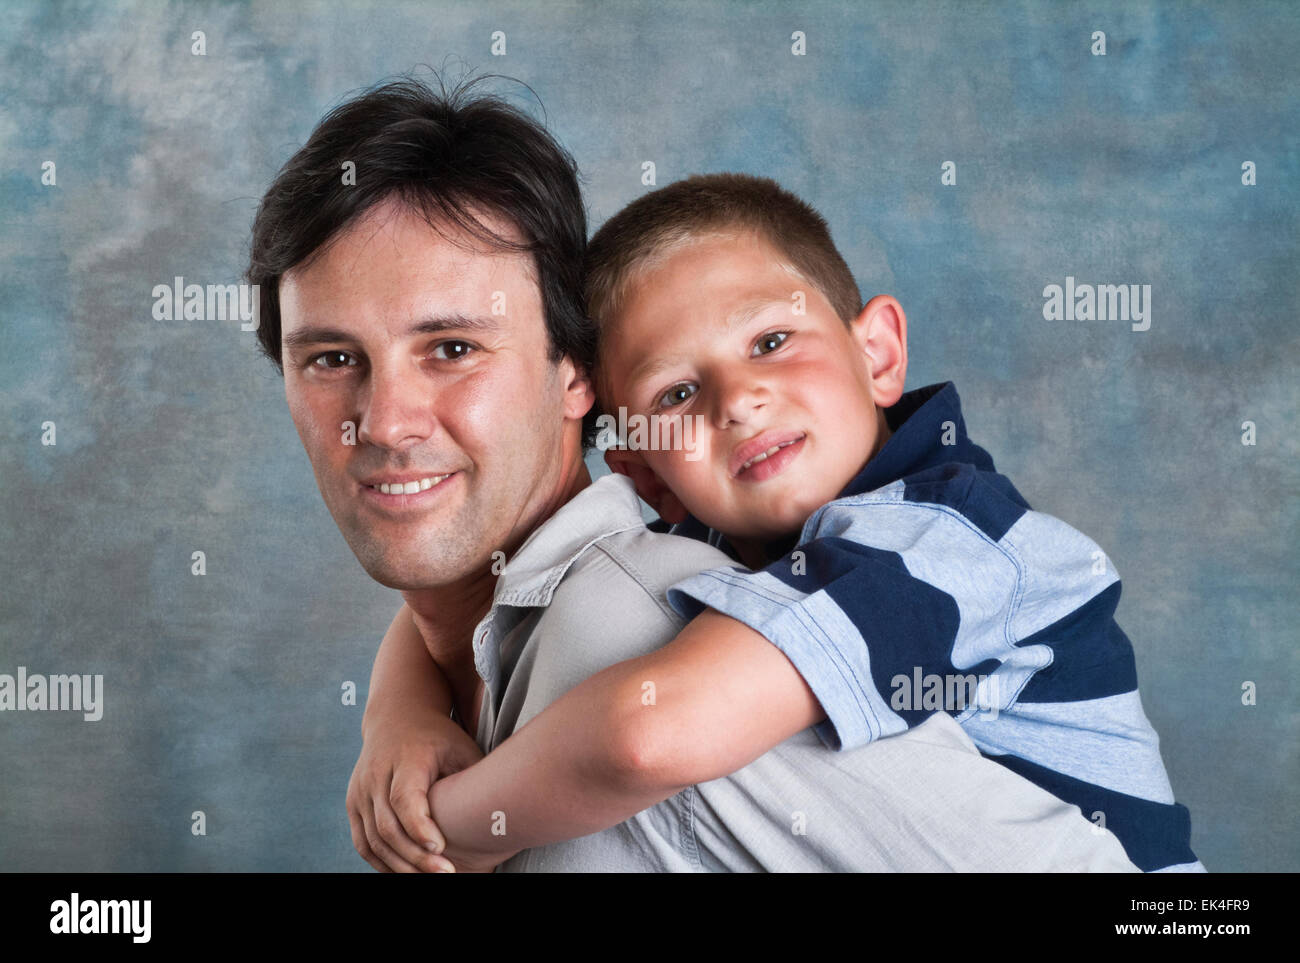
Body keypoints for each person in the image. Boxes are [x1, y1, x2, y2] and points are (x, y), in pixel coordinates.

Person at [249, 76, 1138, 872]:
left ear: (576, 381)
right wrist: (394, 719)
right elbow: (436, 618)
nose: (389, 421)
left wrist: (449, 827)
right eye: (330, 358)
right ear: (643, 459)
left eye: (452, 347)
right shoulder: (704, 548)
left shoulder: (650, 629)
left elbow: (645, 735)